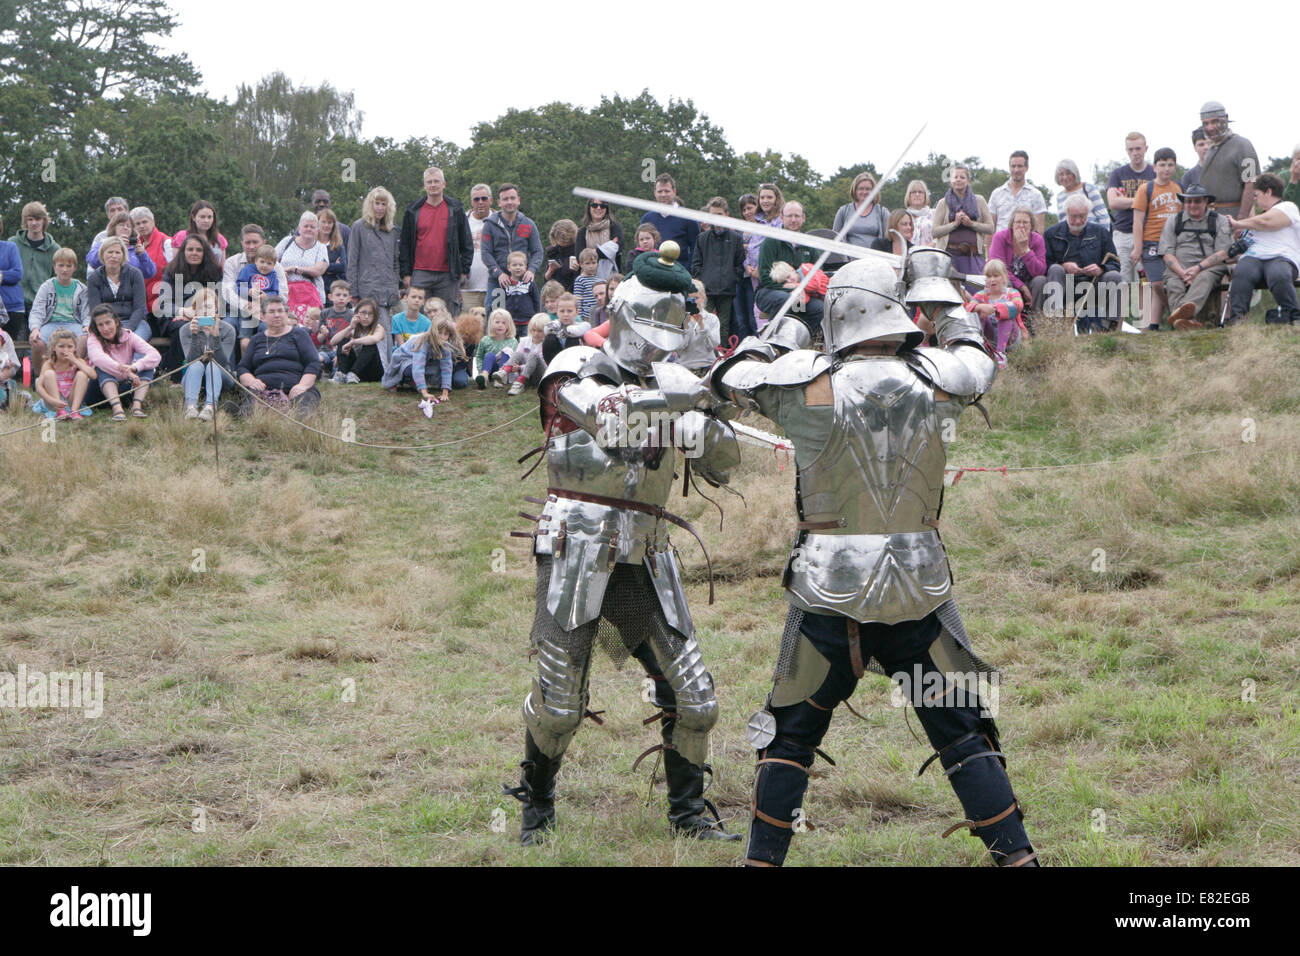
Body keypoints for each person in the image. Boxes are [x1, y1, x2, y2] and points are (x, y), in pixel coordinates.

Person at [711, 251, 1036, 866]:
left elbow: (729, 378)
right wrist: (937, 289)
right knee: (963, 731)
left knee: (788, 737)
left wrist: (779, 335)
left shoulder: (807, 383)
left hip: (825, 586)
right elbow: (977, 355)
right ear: (897, 308)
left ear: (840, 312)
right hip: (920, 584)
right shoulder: (940, 378)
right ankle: (1019, 861)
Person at [504, 243, 742, 846]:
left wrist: (713, 408)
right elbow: (613, 421)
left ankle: (687, 813)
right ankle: (536, 804)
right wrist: (682, 400)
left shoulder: (675, 383)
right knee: (560, 701)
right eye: (651, 327)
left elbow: (723, 464)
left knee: (696, 697)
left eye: (671, 331)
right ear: (627, 314)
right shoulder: (572, 367)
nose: (657, 343)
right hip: (577, 547)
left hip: (647, 553)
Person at [397, 167, 473, 316]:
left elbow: (466, 242)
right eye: (429, 182)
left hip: (448, 274)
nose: (433, 185)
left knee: (446, 317)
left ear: (444, 184)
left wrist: (464, 269)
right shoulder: (413, 210)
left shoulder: (455, 209)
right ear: (424, 185)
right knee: (418, 316)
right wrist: (405, 273)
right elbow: (404, 244)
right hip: (419, 273)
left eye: (436, 181)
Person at [1226, 173, 1300, 326]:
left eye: (1257, 195)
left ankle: (1295, 317)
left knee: (1277, 274)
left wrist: (1238, 223)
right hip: (1254, 258)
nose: (1255, 199)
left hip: (1282, 257)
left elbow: (1268, 222)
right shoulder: (1255, 222)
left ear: (1268, 192)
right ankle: (1237, 322)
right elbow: (1241, 247)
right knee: (1242, 272)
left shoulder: (1287, 207)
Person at [1042, 194, 1124, 332]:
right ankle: (1055, 325)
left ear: (1088, 214)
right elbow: (1044, 264)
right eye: (1074, 216)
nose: (1079, 221)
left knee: (1115, 276)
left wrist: (1101, 268)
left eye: (1082, 216)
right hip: (1064, 286)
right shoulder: (1051, 234)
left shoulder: (1101, 233)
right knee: (1055, 269)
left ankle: (1109, 328)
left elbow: (1115, 262)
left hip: (1093, 285)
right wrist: (1064, 266)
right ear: (1066, 214)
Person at [1160, 184, 1233, 330]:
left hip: (1209, 268)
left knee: (1203, 278)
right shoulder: (1174, 221)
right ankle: (1187, 322)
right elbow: (1166, 252)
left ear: (1206, 201)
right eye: (1188, 201)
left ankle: (1179, 318)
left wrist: (1198, 268)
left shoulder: (1219, 220)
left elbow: (1223, 252)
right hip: (1178, 268)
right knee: (1173, 284)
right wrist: (1183, 273)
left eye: (1197, 201)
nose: (1192, 205)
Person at [236, 296, 322, 416]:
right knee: (249, 411)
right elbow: (242, 368)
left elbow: (313, 363)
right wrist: (252, 381)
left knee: (303, 411)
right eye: (271, 311)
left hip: (295, 387)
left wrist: (302, 386)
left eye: (280, 311)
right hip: (262, 389)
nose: (277, 315)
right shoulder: (256, 339)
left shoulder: (299, 335)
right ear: (262, 316)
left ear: (287, 314)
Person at [1129, 147, 1182, 330]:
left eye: (1170, 165)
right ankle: (1175, 315)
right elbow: (1137, 220)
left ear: (1175, 167)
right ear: (1154, 167)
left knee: (1175, 282)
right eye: (1162, 165)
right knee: (1157, 283)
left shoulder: (1179, 188)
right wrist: (1137, 247)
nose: (1166, 169)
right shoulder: (1146, 189)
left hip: (1173, 244)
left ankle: (1166, 321)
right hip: (1151, 242)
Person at [347, 187, 401, 363]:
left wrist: (395, 285)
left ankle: (386, 368)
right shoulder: (358, 227)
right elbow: (352, 261)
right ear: (370, 205)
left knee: (385, 328)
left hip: (387, 289)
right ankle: (377, 368)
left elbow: (395, 262)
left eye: (383, 204)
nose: (380, 207)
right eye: (377, 203)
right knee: (368, 329)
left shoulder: (392, 231)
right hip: (367, 288)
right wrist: (354, 291)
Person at [156, 235, 223, 373]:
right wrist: (184, 312)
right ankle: (174, 373)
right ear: (183, 251)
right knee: (183, 327)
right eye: (190, 249)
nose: (194, 253)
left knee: (220, 325)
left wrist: (198, 315)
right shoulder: (171, 271)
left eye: (199, 250)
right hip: (176, 315)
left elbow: (220, 302)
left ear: (205, 253)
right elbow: (165, 303)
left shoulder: (214, 272)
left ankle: (215, 370)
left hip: (206, 315)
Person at [756, 201, 823, 334]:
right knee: (786, 300)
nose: (793, 220)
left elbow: (818, 274)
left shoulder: (810, 244)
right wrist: (789, 288)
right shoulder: (770, 242)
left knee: (820, 308)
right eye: (789, 216)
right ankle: (775, 342)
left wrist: (803, 289)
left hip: (803, 294)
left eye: (797, 216)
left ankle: (806, 341)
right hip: (769, 291)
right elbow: (764, 277)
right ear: (782, 218)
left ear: (803, 218)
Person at [85, 304, 161, 420]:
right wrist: (127, 372)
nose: (105, 328)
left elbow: (155, 355)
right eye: (100, 325)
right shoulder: (93, 338)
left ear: (116, 322)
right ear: (96, 327)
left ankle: (136, 406)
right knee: (102, 367)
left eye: (108, 322)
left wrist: (135, 368)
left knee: (147, 367)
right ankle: (117, 409)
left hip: (124, 389)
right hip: (99, 394)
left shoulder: (129, 335)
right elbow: (98, 358)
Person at [224, 225, 290, 351]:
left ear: (264, 242)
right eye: (248, 242)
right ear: (242, 243)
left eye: (255, 242)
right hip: (237, 309)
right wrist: (247, 306)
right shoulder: (232, 262)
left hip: (265, 310)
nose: (252, 246)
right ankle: (228, 369)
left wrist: (266, 301)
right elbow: (228, 292)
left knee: (267, 326)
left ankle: (267, 366)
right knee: (228, 326)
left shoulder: (276, 267)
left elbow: (283, 295)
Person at [690, 197, 746, 343]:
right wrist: (702, 280)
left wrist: (732, 278)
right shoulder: (702, 238)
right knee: (703, 320)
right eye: (713, 214)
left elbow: (740, 264)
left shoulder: (735, 238)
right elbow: (696, 263)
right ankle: (702, 350)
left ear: (726, 214)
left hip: (727, 290)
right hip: (706, 290)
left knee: (723, 325)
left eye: (719, 214)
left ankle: (720, 353)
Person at [1107, 133, 1156, 294]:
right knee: (1121, 283)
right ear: (1127, 151)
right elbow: (1113, 202)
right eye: (1131, 149)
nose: (1135, 152)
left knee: (1144, 282)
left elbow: (1156, 201)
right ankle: (1117, 320)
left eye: (1138, 148)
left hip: (1147, 234)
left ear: (1145, 149)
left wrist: (1127, 201)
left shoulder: (1153, 173)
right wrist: (1142, 200)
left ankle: (1146, 319)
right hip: (1122, 233)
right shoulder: (1118, 174)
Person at [28, 248, 90, 377]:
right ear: (54, 267)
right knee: (36, 341)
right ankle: (41, 376)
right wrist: (35, 328)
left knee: (85, 338)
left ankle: (72, 374)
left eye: (69, 266)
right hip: (51, 323)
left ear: (75, 267)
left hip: (73, 323)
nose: (65, 269)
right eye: (61, 265)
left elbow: (86, 313)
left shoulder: (82, 289)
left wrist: (86, 325)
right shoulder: (47, 286)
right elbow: (37, 311)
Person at [176, 289, 234, 420]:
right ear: (195, 310)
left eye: (209, 307)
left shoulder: (228, 329)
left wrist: (215, 336)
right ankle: (191, 407)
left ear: (216, 309)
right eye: (201, 308)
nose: (206, 311)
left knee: (212, 366)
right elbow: (190, 361)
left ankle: (210, 407)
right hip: (193, 376)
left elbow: (223, 363)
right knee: (196, 365)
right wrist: (195, 335)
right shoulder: (185, 330)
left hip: (221, 375)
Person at [932, 165, 995, 283]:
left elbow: (991, 228)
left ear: (968, 180)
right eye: (955, 177)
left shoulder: (979, 201)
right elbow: (934, 232)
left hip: (973, 257)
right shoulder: (943, 203)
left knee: (975, 290)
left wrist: (971, 224)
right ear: (951, 181)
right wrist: (954, 224)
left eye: (962, 177)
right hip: (948, 257)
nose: (958, 179)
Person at [1197, 101, 1259, 221]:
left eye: (1214, 121)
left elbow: (1251, 183)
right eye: (1206, 123)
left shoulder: (1243, 145)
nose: (1210, 127)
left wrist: (1242, 219)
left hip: (1232, 217)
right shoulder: (1211, 149)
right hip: (1209, 217)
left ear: (1225, 119)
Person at [481, 183, 544, 296]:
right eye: (505, 199)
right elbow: (486, 253)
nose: (509, 202)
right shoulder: (489, 225)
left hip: (523, 279)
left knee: (528, 312)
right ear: (499, 202)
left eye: (512, 198)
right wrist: (498, 273)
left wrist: (531, 270)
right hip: (498, 280)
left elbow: (537, 251)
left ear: (518, 200)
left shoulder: (528, 224)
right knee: (494, 312)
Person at [9, 203, 60, 337]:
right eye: (30, 219)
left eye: (38, 219)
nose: (34, 223)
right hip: (16, 304)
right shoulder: (13, 243)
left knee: (38, 345)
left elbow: (58, 279)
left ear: (44, 220)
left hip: (41, 305)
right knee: (17, 347)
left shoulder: (55, 249)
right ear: (25, 221)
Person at [987, 205, 1048, 317]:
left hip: (1030, 281)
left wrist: (1026, 250)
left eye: (1025, 222)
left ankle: (1037, 322)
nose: (1021, 226)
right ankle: (1006, 319)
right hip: (1010, 281)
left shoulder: (1037, 239)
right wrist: (1022, 287)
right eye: (1018, 222)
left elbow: (1040, 271)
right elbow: (999, 270)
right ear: (1012, 224)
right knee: (1003, 280)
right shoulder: (1000, 237)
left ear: (1031, 226)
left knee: (1041, 280)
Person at [381, 317, 455, 406]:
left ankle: (417, 381)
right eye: (439, 333)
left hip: (421, 362)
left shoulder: (445, 346)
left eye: (446, 334)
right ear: (433, 331)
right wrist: (424, 392)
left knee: (437, 368)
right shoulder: (422, 342)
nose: (442, 337)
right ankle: (408, 380)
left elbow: (446, 367)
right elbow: (418, 367)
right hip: (404, 360)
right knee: (411, 369)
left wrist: (445, 392)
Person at [966, 259, 1026, 367]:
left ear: (1004, 278)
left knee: (1005, 313)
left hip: (1011, 338)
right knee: (980, 314)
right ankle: (980, 348)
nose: (992, 279)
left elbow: (1018, 305)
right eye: (989, 276)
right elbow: (969, 307)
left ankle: (1000, 354)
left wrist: (995, 309)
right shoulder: (982, 294)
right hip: (991, 337)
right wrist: (981, 307)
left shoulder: (1012, 292)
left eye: (996, 275)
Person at [85, 237, 149, 339]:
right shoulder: (94, 278)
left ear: (123, 255)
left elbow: (139, 308)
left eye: (117, 252)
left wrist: (127, 330)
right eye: (110, 252)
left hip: (135, 323)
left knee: (133, 342)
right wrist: (110, 328)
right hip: (106, 324)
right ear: (102, 254)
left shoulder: (135, 274)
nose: (113, 256)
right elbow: (95, 310)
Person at [276, 211, 330, 320]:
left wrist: (294, 269)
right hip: (285, 292)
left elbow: (318, 270)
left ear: (317, 230)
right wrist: (279, 272)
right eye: (306, 226)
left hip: (311, 296)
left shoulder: (321, 247)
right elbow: (271, 261)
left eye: (312, 227)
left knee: (308, 326)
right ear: (299, 228)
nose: (309, 229)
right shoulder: (287, 241)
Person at [639, 172, 699, 266]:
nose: (663, 195)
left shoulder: (688, 218)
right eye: (660, 191)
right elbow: (640, 248)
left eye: (667, 191)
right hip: (653, 270)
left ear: (674, 192)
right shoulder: (647, 219)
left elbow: (696, 248)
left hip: (679, 272)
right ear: (655, 193)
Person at [34, 328, 93, 421]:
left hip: (71, 399)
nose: (65, 350)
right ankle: (60, 411)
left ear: (75, 347)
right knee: (49, 374)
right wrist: (51, 400)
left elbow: (93, 375)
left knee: (82, 374)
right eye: (61, 346)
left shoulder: (78, 361)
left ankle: (74, 411)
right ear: (54, 347)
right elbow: (39, 387)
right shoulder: (49, 363)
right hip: (54, 401)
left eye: (70, 346)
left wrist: (75, 361)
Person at [130, 207, 175, 315]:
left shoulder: (167, 243)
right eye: (137, 223)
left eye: (145, 222)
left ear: (153, 222)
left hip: (164, 304)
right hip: (142, 306)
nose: (141, 226)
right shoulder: (132, 246)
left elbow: (176, 273)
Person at [988, 151, 1047, 232]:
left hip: (1026, 243)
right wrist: (988, 245)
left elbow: (1039, 228)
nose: (1016, 170)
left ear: (1026, 168)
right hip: (1001, 243)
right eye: (1013, 166)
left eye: (1020, 166)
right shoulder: (996, 194)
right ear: (1009, 167)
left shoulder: (1036, 195)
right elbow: (990, 226)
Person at [332, 297, 387, 383]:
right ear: (357, 314)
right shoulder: (354, 328)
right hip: (359, 368)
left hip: (375, 369)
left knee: (370, 344)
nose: (366, 317)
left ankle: (353, 374)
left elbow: (375, 339)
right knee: (343, 340)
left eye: (370, 314)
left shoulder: (378, 328)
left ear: (375, 316)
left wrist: (353, 342)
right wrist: (350, 327)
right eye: (363, 313)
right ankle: (341, 374)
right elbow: (333, 342)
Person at [832, 171, 890, 251]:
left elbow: (888, 240)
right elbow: (835, 237)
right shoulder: (843, 211)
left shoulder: (882, 212)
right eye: (861, 189)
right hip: (848, 260)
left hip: (874, 260)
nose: (864, 192)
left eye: (868, 189)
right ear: (855, 191)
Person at [87, 212, 157, 279]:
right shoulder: (103, 244)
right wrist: (115, 244)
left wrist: (142, 255)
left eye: (128, 226)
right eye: (121, 225)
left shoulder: (135, 249)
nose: (125, 228)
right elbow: (92, 261)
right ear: (114, 227)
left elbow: (150, 273)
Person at [494, 313, 548, 395]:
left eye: (540, 331)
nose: (536, 333)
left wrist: (520, 368)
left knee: (533, 355)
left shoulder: (546, 344)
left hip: (538, 375)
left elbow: (544, 363)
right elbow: (518, 356)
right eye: (534, 330)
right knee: (517, 354)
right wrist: (515, 366)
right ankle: (505, 371)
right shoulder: (524, 341)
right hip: (523, 372)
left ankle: (520, 382)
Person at [573, 196, 624, 281]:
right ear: (589, 208)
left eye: (603, 206)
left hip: (612, 278)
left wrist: (593, 252)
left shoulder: (614, 227)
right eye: (594, 205)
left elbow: (618, 247)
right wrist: (606, 249)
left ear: (607, 209)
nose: (599, 208)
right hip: (588, 279)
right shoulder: (582, 231)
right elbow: (580, 256)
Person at [677, 280, 721, 372]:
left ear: (703, 297)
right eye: (689, 299)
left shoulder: (712, 319)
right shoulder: (679, 319)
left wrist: (702, 326)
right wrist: (685, 327)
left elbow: (714, 344)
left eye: (696, 298)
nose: (693, 302)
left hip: (707, 364)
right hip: (684, 366)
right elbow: (679, 347)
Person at [462, 183, 494, 311]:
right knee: (468, 328)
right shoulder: (462, 220)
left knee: (497, 325)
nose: (480, 202)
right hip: (468, 287)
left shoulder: (500, 220)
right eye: (476, 199)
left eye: (484, 198)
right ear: (471, 202)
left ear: (491, 200)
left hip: (496, 286)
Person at [733, 192, 761, 339]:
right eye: (744, 210)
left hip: (755, 277)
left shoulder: (764, 227)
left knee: (753, 315)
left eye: (750, 208)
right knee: (740, 317)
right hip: (740, 276)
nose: (747, 212)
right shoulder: (738, 229)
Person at [1053, 159, 1110, 230]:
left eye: (1068, 173)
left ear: (1075, 173)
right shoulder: (1059, 196)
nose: (1065, 177)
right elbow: (1061, 219)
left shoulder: (1088, 188)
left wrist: (1104, 236)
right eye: (1061, 174)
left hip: (1091, 235)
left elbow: (1103, 215)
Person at [314, 280, 354, 378]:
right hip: (326, 349)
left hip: (343, 351)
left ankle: (333, 372)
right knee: (317, 359)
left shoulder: (351, 315)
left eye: (345, 295)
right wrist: (323, 334)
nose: (341, 298)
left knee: (337, 371)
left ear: (349, 298)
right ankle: (322, 370)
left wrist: (339, 355)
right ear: (330, 297)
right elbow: (319, 339)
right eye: (338, 295)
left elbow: (353, 337)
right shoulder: (325, 313)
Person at [171, 200, 228, 265]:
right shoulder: (182, 236)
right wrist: (180, 276)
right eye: (202, 217)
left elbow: (222, 268)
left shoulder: (219, 239)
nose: (206, 220)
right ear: (193, 217)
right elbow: (176, 267)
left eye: (209, 217)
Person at [0, 216, 28, 342]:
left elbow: (17, 273)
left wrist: (2, 276)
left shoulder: (10, 248)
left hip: (12, 308)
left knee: (14, 354)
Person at [474, 309, 518, 388]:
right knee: (490, 355)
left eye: (504, 323)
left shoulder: (513, 341)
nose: (500, 325)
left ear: (509, 325)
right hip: (489, 369)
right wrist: (480, 370)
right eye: (497, 322)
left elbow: (516, 358)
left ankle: (500, 377)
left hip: (505, 370)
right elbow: (479, 356)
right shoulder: (485, 340)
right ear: (491, 323)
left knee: (507, 351)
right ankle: (484, 377)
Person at [502, 251, 541, 337]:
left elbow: (536, 300)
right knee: (512, 344)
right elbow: (502, 302)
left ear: (525, 267)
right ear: (509, 267)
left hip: (527, 321)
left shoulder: (530, 283)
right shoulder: (505, 283)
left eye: (520, 265)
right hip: (511, 322)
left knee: (526, 343)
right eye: (514, 265)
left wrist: (536, 315)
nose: (518, 268)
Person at [316, 207, 348, 293]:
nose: (326, 225)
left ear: (333, 225)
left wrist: (319, 268)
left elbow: (342, 267)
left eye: (329, 222)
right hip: (315, 289)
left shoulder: (338, 246)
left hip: (333, 291)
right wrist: (332, 266)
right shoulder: (312, 245)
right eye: (323, 222)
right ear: (317, 223)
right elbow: (308, 266)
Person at [543, 219, 579, 293]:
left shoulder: (579, 252)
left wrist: (577, 271)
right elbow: (546, 280)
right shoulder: (553, 253)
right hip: (554, 294)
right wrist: (550, 271)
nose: (561, 241)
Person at [571, 248, 601, 320]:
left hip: (598, 314)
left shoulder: (598, 279)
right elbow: (578, 300)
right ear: (581, 264)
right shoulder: (580, 280)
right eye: (587, 263)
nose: (591, 266)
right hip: (586, 317)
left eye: (593, 263)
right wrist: (579, 318)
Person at [903, 180, 934, 247]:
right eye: (914, 192)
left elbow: (942, 236)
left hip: (931, 254)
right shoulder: (902, 216)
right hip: (907, 254)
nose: (917, 194)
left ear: (925, 195)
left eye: (920, 192)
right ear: (909, 195)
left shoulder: (935, 214)